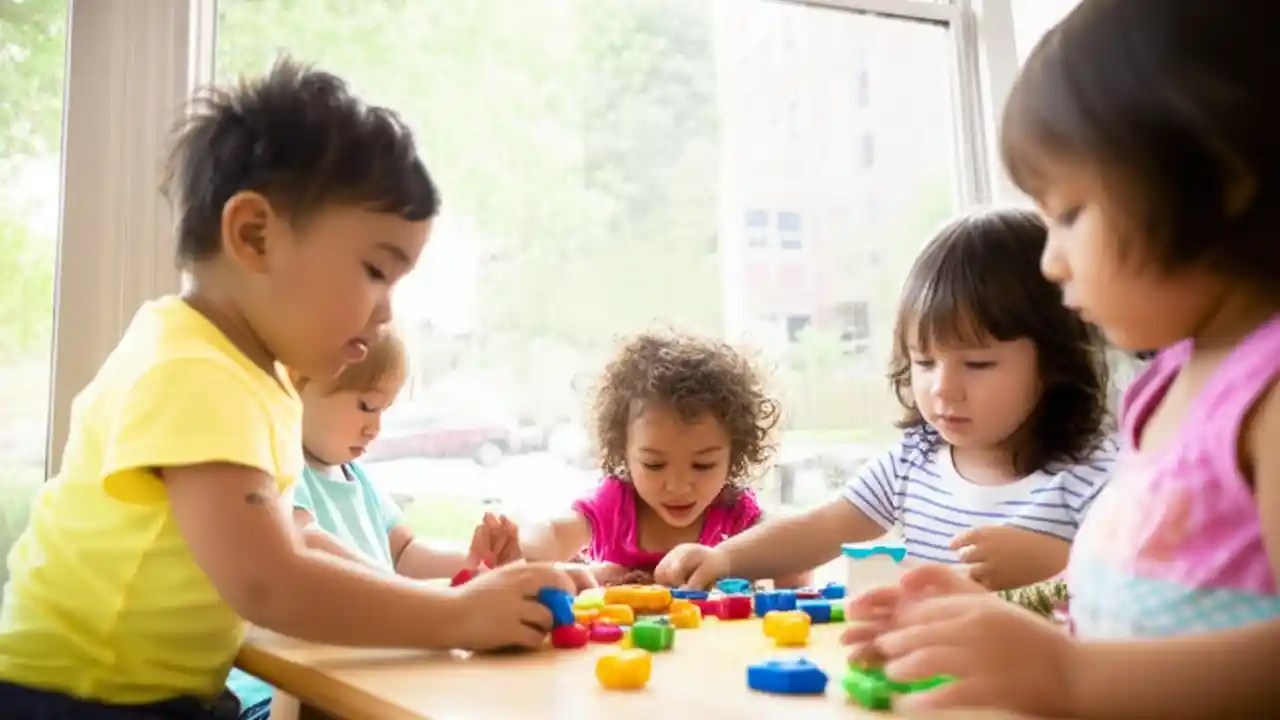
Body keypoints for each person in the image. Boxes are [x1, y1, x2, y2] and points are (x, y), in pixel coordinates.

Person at [0, 59, 573, 719]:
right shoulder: (193, 372)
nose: (386, 311)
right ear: (254, 236)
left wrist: (465, 586)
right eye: (375, 271)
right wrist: (455, 615)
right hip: (79, 700)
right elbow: (267, 581)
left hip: (150, 695)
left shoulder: (247, 376)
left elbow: (293, 542)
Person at [842, 2, 1280, 717]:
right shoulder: (1166, 386)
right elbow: (1145, 597)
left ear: (1219, 181)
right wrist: (1003, 621)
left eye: (1070, 214)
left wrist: (1070, 678)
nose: (1050, 262)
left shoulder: (1269, 395)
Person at [658, 209, 1116, 593]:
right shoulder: (915, 460)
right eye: (924, 362)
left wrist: (1060, 562)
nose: (943, 388)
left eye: (978, 365)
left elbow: (1149, 585)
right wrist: (723, 559)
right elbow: (825, 528)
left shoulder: (1093, 474)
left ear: (1056, 361)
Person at [522, 331, 808, 588]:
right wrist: (544, 560)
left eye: (703, 465)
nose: (678, 486)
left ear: (734, 456)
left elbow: (795, 558)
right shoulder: (615, 506)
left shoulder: (734, 512)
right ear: (623, 450)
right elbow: (549, 534)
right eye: (654, 465)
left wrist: (739, 562)